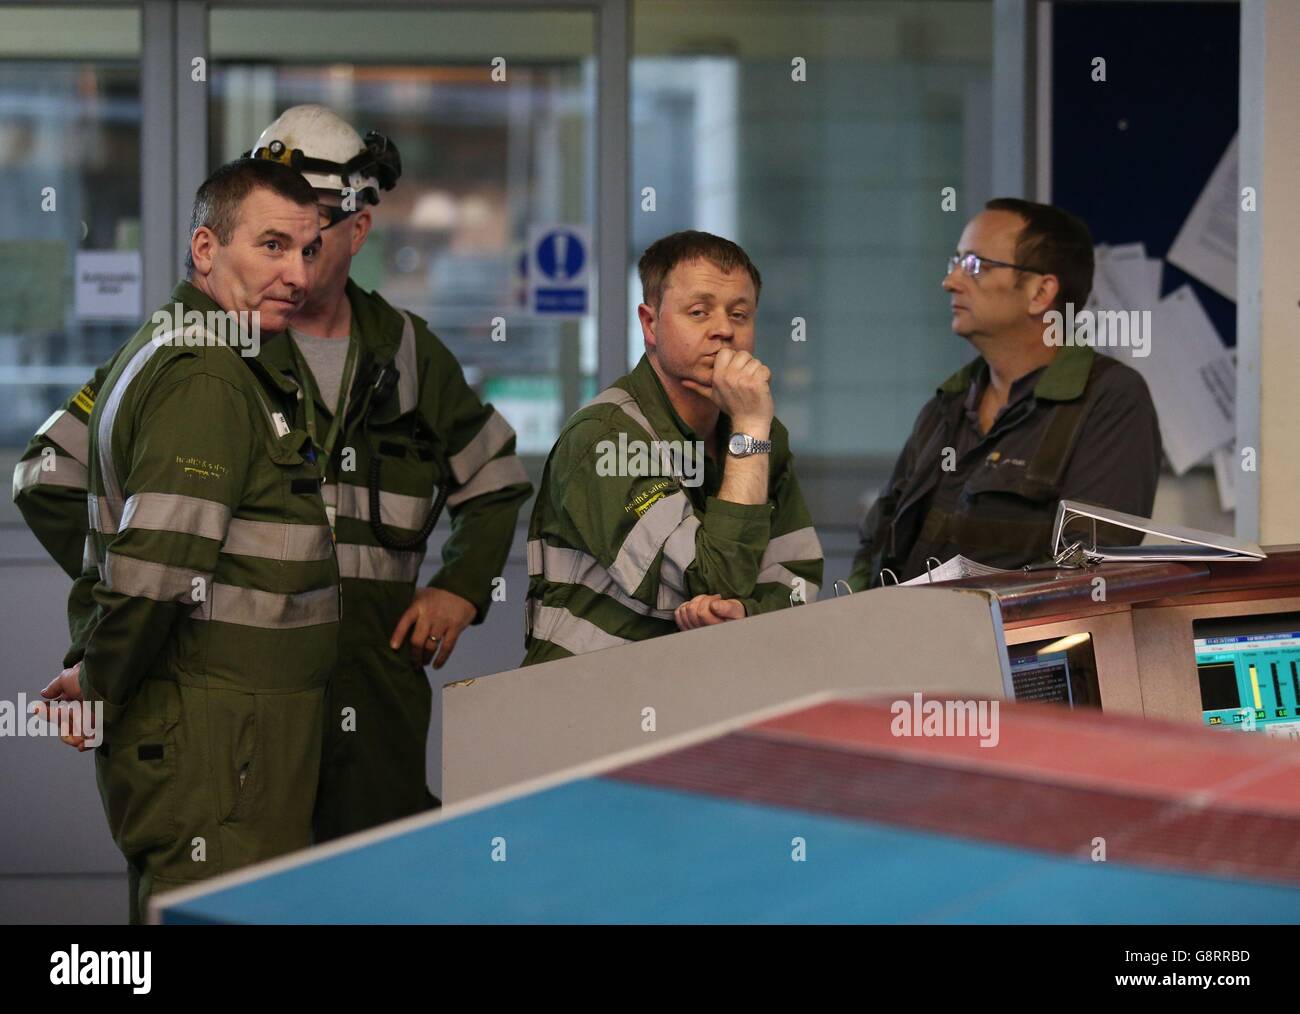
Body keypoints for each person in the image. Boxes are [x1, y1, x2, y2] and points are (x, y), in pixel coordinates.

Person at [15, 105, 533, 842]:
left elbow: (495, 474)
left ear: (357, 228)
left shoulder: (406, 352)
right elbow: (49, 471)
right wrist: (165, 587)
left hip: (371, 681)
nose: (298, 249)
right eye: (274, 229)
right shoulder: (204, 347)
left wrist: (459, 587)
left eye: (315, 222)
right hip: (239, 682)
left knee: (373, 879)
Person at [29, 157, 338, 922]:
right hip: (219, 741)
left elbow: (54, 479)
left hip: (236, 732)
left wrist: (100, 656)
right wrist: (101, 678)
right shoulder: (204, 374)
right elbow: (157, 569)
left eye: (306, 251)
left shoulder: (198, 347)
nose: (296, 274)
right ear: (206, 250)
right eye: (271, 245)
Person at [523, 230, 823, 666]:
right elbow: (706, 580)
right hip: (587, 699)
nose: (724, 330)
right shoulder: (607, 436)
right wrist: (751, 429)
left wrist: (745, 613)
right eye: (699, 312)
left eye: (740, 314)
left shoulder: (754, 428)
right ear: (650, 324)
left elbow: (798, 578)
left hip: (693, 694)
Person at [847, 198, 1162, 589]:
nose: (951, 281)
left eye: (976, 266)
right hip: (898, 639)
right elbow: (876, 540)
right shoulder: (948, 404)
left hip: (1009, 647)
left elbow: (1084, 574)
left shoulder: (1109, 399)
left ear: (1040, 292)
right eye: (955, 263)